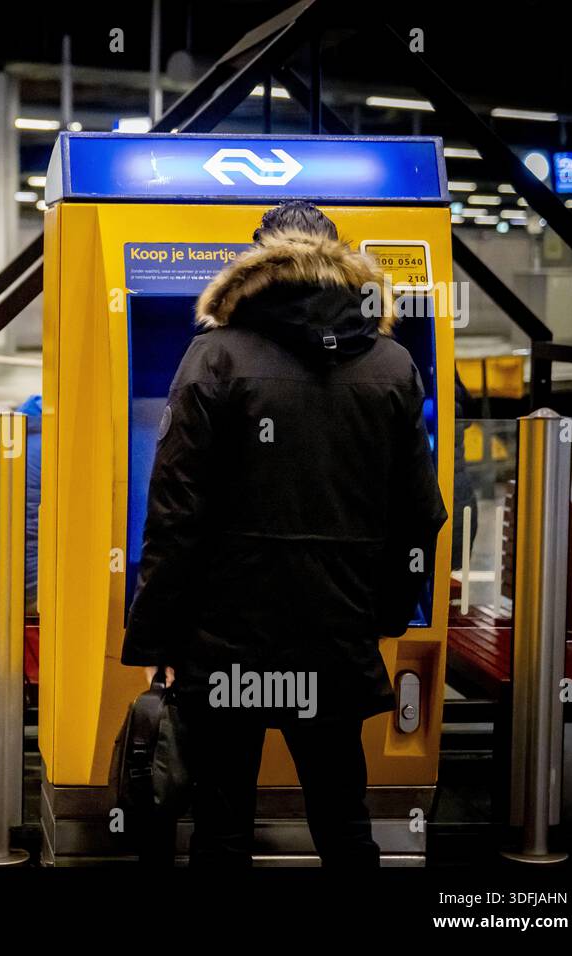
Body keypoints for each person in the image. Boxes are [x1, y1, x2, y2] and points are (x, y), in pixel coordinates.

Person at [121, 201, 447, 868]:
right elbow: (421, 512)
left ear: (255, 265)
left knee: (222, 832)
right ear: (344, 266)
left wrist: (158, 637)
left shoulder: (212, 357)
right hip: (336, 635)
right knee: (345, 824)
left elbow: (175, 513)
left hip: (224, 640)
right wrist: (381, 615)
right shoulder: (391, 367)